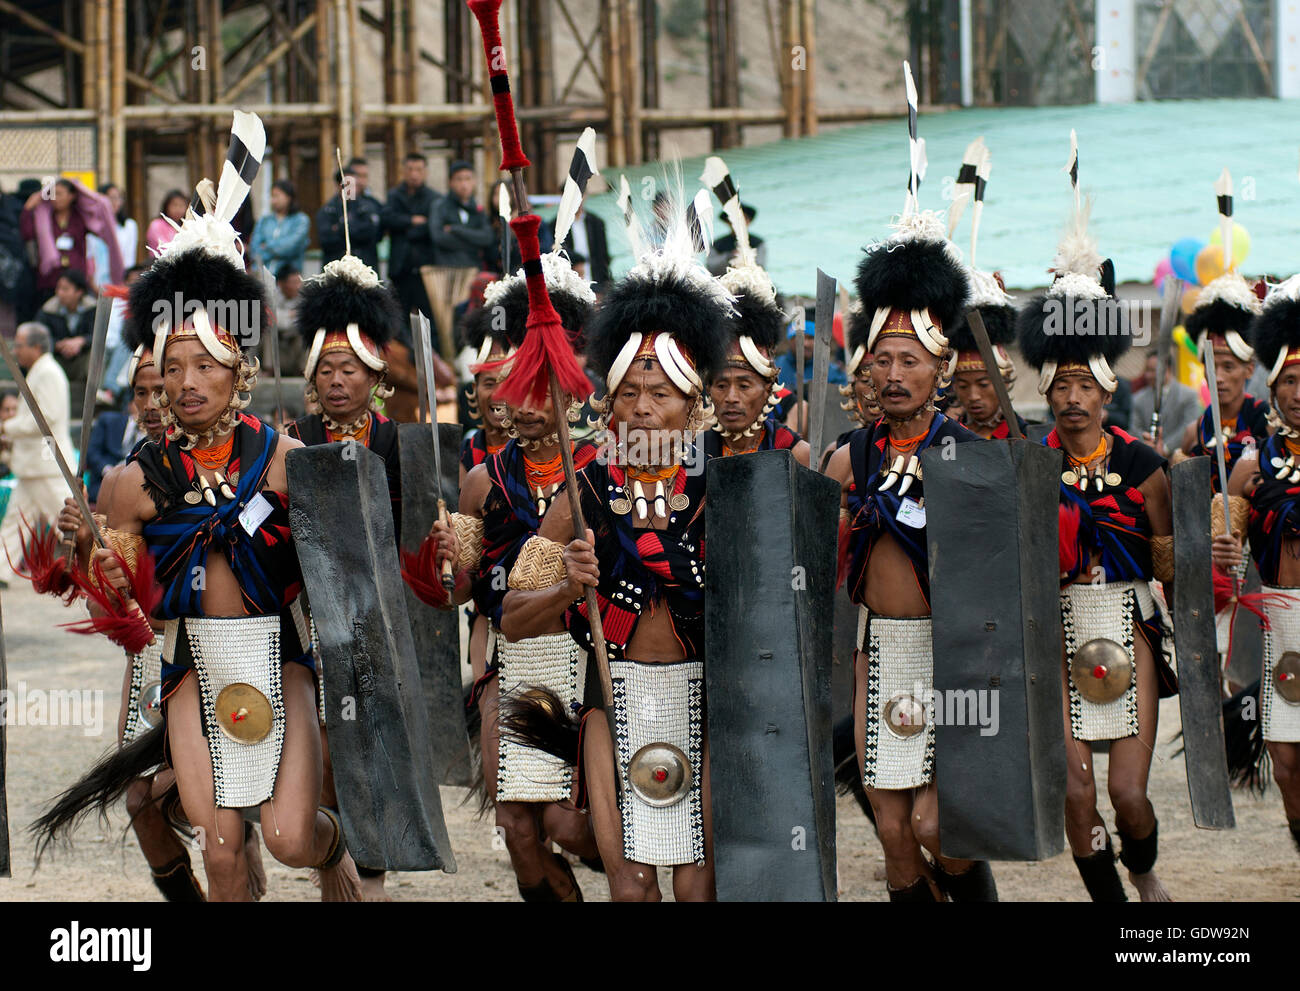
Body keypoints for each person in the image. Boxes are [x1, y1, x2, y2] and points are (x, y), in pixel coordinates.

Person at [84, 114, 363, 901]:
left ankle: (334, 849)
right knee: (223, 847)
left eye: (206, 363)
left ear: (238, 371)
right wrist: (99, 564)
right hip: (190, 670)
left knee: (287, 836)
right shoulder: (132, 483)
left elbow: (343, 581)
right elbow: (118, 603)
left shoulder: (286, 462)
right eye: (173, 366)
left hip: (280, 660)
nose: (187, 380)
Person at [494, 191, 731, 901]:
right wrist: (567, 588)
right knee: (630, 889)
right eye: (627, 392)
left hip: (704, 698)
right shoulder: (583, 491)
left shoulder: (725, 489)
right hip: (612, 697)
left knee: (695, 889)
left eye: (658, 393)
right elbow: (511, 615)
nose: (641, 408)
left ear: (694, 403)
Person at [407, 235, 601, 900]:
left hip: (590, 659)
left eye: (532, 388)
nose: (514, 404)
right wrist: (442, 565)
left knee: (573, 824)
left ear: (570, 390)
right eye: (509, 391)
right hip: (511, 658)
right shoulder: (479, 482)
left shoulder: (602, 473)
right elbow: (457, 592)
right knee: (517, 824)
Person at [1017, 152, 1175, 902]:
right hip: (1055, 630)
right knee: (1077, 793)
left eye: (1086, 383)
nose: (1073, 397)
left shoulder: (1145, 464)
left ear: (1108, 389)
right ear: (1048, 391)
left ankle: (1143, 877)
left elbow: (1172, 565)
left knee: (1126, 793)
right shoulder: (1030, 465)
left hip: (1127, 623)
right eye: (1063, 384)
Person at [826, 209, 994, 902]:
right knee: (894, 831)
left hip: (950, 652)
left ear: (941, 367)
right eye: (884, 359)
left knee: (937, 822)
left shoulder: (972, 455)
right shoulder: (849, 457)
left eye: (911, 361)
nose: (895, 374)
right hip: (880, 649)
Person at [285, 247, 404, 901]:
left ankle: (374, 868)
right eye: (327, 367)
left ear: (374, 376)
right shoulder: (292, 438)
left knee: (373, 743)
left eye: (351, 367)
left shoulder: (395, 443)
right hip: (311, 616)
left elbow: (414, 546)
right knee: (325, 745)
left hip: (377, 620)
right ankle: (337, 864)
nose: (338, 380)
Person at [1218, 274, 1300, 857]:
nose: (1299, 391)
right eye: (1290, 380)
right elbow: (1223, 545)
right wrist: (1224, 547)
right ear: (1273, 388)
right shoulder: (1252, 464)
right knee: (1289, 763)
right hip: (1280, 631)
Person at [703, 203, 809, 464]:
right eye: (721, 385)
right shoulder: (689, 451)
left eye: (744, 385)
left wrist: (747, 265)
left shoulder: (794, 450)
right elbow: (712, 264)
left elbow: (760, 263)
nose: (731, 398)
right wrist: (731, 260)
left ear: (767, 386)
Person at [0, 322, 73, 588]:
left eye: (20, 345)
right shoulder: (40, 371)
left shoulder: (48, 372)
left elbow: (47, 417)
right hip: (35, 464)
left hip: (47, 463)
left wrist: (8, 428)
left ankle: (85, 567)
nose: (16, 349)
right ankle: (1, 570)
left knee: (65, 521)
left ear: (36, 346)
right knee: (15, 521)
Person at [1178, 274, 1268, 487]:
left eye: (1228, 367)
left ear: (1249, 369)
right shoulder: (1194, 432)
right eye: (1211, 367)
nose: (1218, 377)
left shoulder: (1267, 423)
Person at [946, 269, 1027, 439]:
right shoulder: (947, 437)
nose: (973, 396)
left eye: (983, 384)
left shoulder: (1025, 436)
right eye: (963, 386)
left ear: (1004, 382)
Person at [20, 178, 122, 305]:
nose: (55, 198)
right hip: (51, 278)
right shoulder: (44, 217)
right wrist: (28, 207)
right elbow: (27, 233)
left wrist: (96, 199)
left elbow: (101, 223)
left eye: (60, 194)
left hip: (76, 277)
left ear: (72, 196)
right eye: (53, 194)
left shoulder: (80, 217)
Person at [382, 152, 440, 322]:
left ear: (425, 172)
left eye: (418, 169)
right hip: (400, 268)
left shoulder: (434, 198)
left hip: (426, 269)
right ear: (404, 171)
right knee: (398, 318)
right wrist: (412, 220)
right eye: (410, 169)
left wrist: (404, 227)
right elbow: (386, 219)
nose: (414, 174)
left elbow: (432, 227)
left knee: (427, 318)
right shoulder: (394, 195)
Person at [35, 269, 97, 419]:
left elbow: (100, 335)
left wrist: (81, 341)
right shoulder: (48, 310)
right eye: (58, 288)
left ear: (79, 292)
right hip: (57, 361)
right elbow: (38, 336)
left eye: (65, 289)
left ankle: (95, 399)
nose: (59, 293)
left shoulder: (92, 309)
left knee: (95, 357)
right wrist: (58, 344)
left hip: (81, 361)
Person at [1131, 346, 1201, 454]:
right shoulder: (1137, 399)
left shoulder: (1189, 396)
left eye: (1152, 370)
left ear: (1167, 369)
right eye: (1147, 370)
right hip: (1146, 458)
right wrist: (1148, 448)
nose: (1148, 375)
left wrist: (1165, 448)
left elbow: (1190, 426)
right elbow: (1134, 429)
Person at [317, 157, 383, 271]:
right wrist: (354, 228)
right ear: (339, 186)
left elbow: (371, 234)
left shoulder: (368, 207)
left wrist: (340, 227)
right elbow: (326, 240)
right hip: (337, 270)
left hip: (364, 268)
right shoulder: (328, 210)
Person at [249, 179, 310, 276]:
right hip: (262, 276)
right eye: (272, 196)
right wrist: (276, 249)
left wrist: (267, 246)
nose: (273, 200)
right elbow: (254, 248)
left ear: (288, 197)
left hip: (287, 277)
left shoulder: (300, 220)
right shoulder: (264, 221)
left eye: (277, 196)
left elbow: (290, 247)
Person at [87, 183, 139, 284]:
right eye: (111, 198)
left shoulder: (129, 226)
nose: (116, 202)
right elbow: (89, 257)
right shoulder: (92, 226)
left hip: (121, 282)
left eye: (118, 198)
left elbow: (129, 258)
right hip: (97, 284)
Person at [555, 201, 609, 287]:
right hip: (571, 280)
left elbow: (603, 254)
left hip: (595, 278)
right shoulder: (556, 225)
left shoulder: (596, 222)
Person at [707, 201, 766, 277]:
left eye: (743, 218)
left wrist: (745, 258)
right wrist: (729, 256)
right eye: (734, 219)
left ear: (749, 221)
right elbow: (711, 267)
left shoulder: (758, 243)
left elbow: (760, 266)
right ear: (728, 222)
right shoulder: (716, 244)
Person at [268, 264, 305, 377]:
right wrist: (291, 315)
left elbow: (303, 318)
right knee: (266, 329)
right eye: (293, 282)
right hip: (277, 343)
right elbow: (271, 318)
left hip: (294, 343)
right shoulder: (270, 297)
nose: (298, 286)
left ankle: (303, 369)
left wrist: (284, 317)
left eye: (299, 282)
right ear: (281, 283)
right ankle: (269, 369)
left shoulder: (305, 297)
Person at [145, 189, 188, 256]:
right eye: (175, 205)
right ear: (166, 206)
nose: (178, 209)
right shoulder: (156, 225)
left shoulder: (186, 226)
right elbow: (164, 248)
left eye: (181, 205)